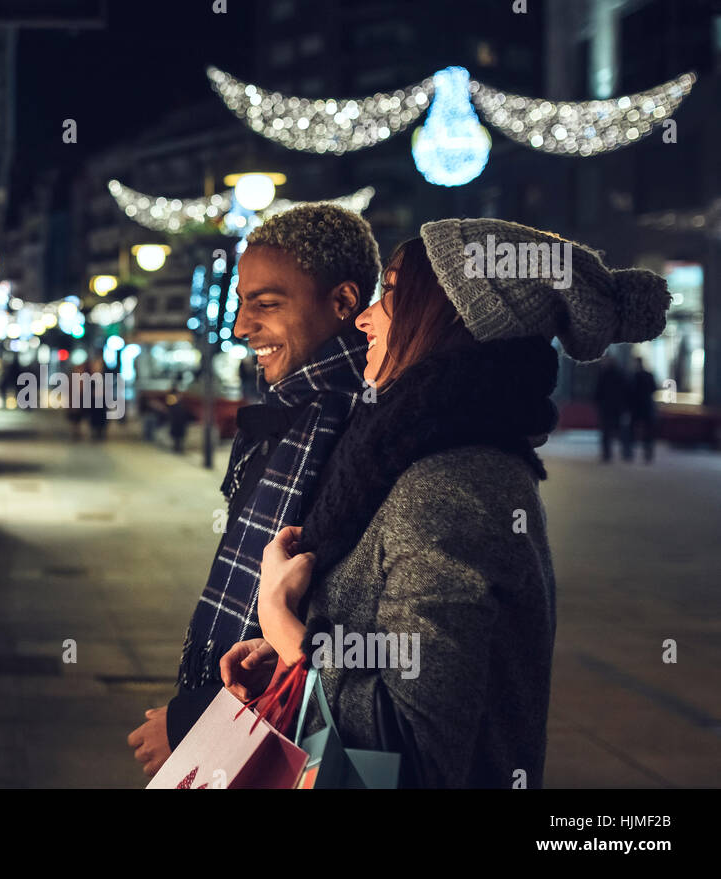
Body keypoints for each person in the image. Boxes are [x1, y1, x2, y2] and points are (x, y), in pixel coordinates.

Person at [223, 220, 670, 787]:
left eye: (390, 293)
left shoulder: (453, 483)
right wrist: (289, 643)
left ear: (450, 318)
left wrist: (289, 633)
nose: (366, 317)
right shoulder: (407, 449)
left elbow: (415, 751)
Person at [128, 203, 379, 776]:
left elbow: (329, 612)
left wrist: (198, 719)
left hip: (275, 724)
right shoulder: (293, 412)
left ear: (343, 303)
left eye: (266, 304)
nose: (241, 328)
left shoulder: (357, 426)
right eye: (242, 303)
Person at [593, 356, 627, 462]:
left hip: (607, 407)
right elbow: (625, 391)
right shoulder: (620, 374)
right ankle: (625, 452)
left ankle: (607, 453)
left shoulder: (604, 374)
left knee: (606, 431)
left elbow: (598, 390)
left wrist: (597, 402)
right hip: (616, 407)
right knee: (618, 430)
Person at [627, 356, 658, 462]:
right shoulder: (647, 375)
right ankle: (646, 452)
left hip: (638, 406)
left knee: (634, 430)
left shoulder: (633, 376)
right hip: (644, 406)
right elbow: (654, 388)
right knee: (646, 430)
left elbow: (630, 392)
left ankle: (630, 453)